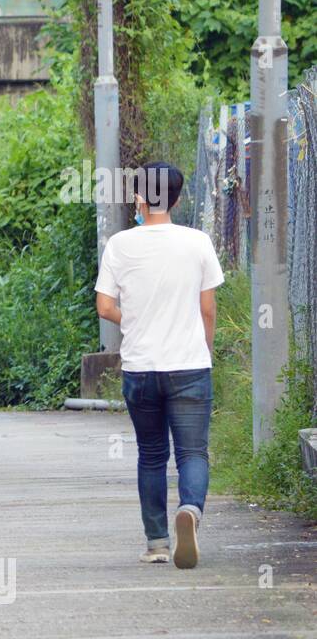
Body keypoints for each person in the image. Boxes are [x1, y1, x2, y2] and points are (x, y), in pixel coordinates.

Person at [95, 162, 225, 569]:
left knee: (151, 454)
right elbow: (207, 309)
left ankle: (156, 544)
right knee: (192, 453)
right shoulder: (197, 241)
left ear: (139, 197)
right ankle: (190, 510)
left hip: (141, 369)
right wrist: (203, 349)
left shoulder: (120, 244)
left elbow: (104, 307)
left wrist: (132, 319)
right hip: (189, 365)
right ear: (177, 198)